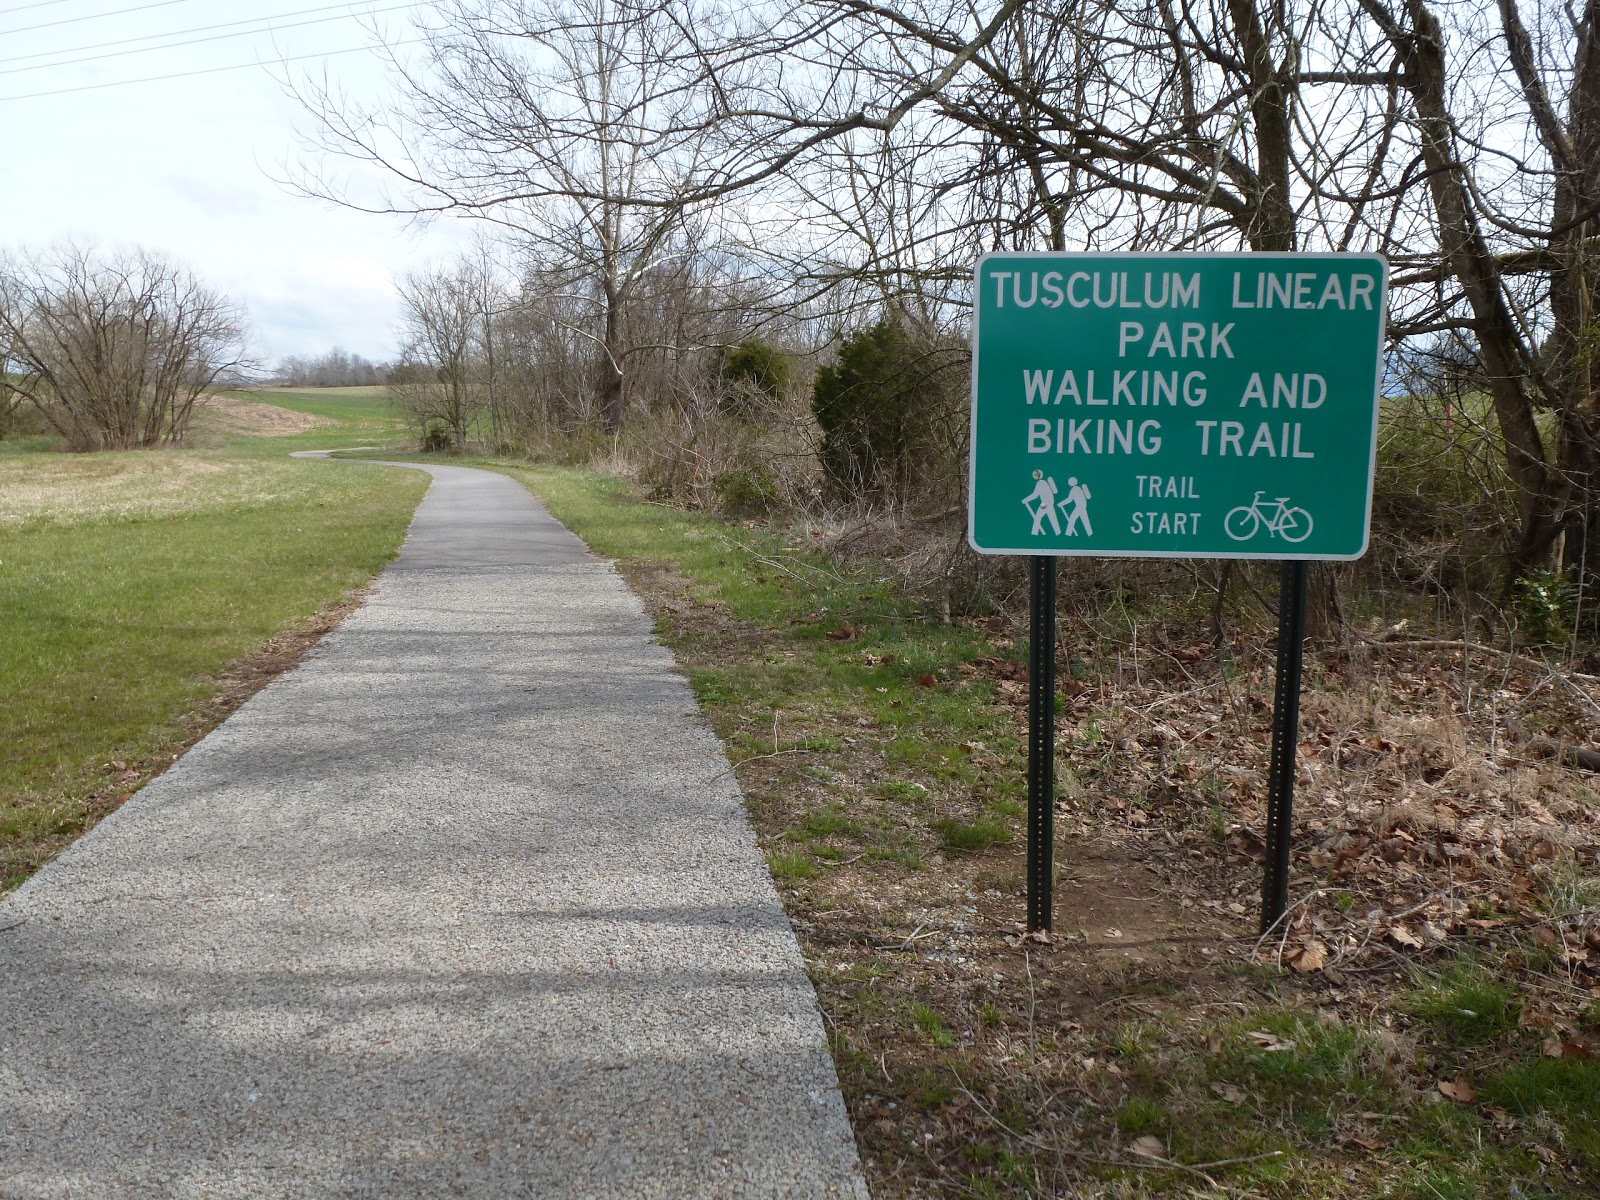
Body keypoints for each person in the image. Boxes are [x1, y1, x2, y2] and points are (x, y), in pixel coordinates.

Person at [1023, 469, 1061, 535]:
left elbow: (1035, 495)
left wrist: (1025, 500)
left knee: (1038, 517)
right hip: (1050, 502)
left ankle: (1034, 533)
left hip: (1045, 503)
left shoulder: (1040, 483)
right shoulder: (1044, 482)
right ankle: (1058, 533)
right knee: (1053, 518)